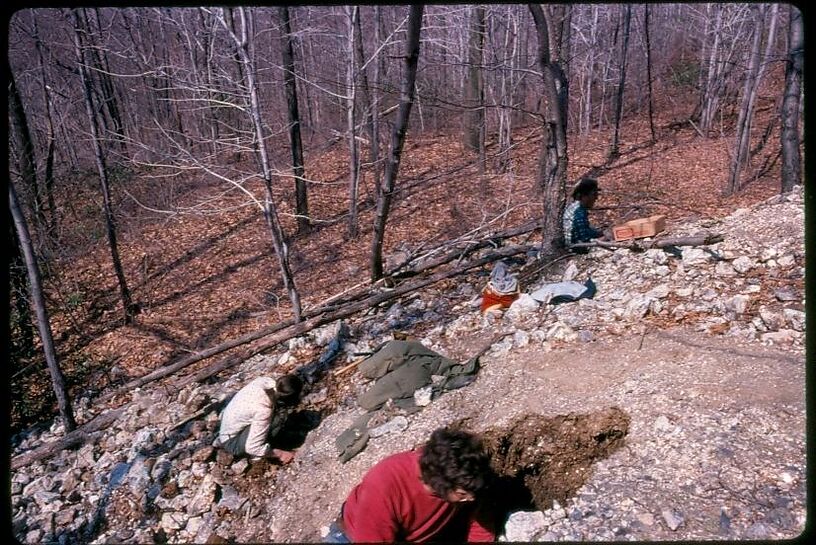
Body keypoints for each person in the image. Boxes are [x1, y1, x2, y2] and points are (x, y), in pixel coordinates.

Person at [325, 427, 496, 543]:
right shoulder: (385, 485)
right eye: (462, 494)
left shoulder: (467, 479)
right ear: (439, 484)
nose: (471, 498)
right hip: (356, 538)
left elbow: (481, 524)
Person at [213, 374, 303, 463]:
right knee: (279, 417)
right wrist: (281, 454)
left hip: (227, 428)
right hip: (232, 443)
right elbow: (252, 448)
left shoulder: (264, 381)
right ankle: (256, 456)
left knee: (273, 413)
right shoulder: (263, 410)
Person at [562, 178, 605, 251]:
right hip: (574, 247)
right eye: (594, 194)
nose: (596, 198)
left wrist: (600, 233)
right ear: (583, 196)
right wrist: (605, 238)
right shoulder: (578, 212)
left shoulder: (575, 207)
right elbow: (584, 239)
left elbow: (585, 230)